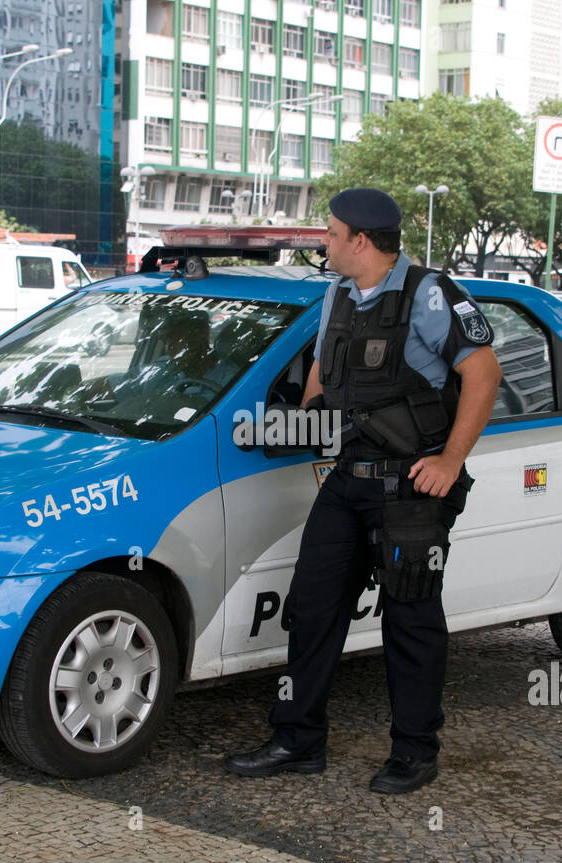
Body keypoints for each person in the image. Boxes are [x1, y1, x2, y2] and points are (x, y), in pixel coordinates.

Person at [224, 187, 502, 795]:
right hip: (350, 477)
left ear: (362, 240)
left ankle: (414, 751)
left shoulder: (429, 294)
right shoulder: (339, 294)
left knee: (411, 617)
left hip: (411, 487)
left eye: (331, 232)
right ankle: (297, 741)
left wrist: (451, 460)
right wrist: (313, 427)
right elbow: (323, 368)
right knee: (312, 608)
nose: (324, 242)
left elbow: (484, 374)